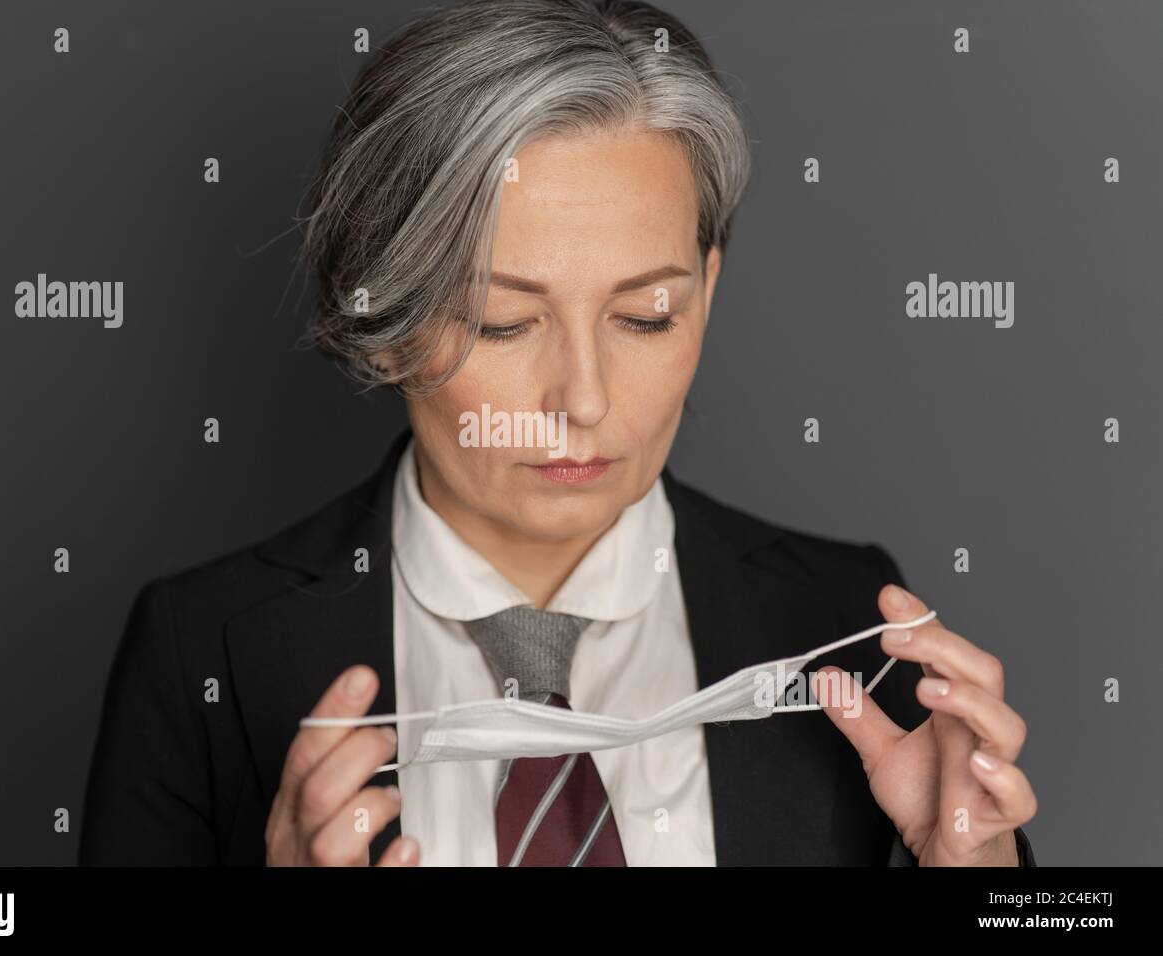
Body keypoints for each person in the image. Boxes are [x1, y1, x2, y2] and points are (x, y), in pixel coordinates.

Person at [79, 0, 1037, 867]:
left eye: (648, 315)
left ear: (709, 285)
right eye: (501, 322)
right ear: (389, 312)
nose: (583, 400)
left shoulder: (847, 625)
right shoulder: (200, 651)